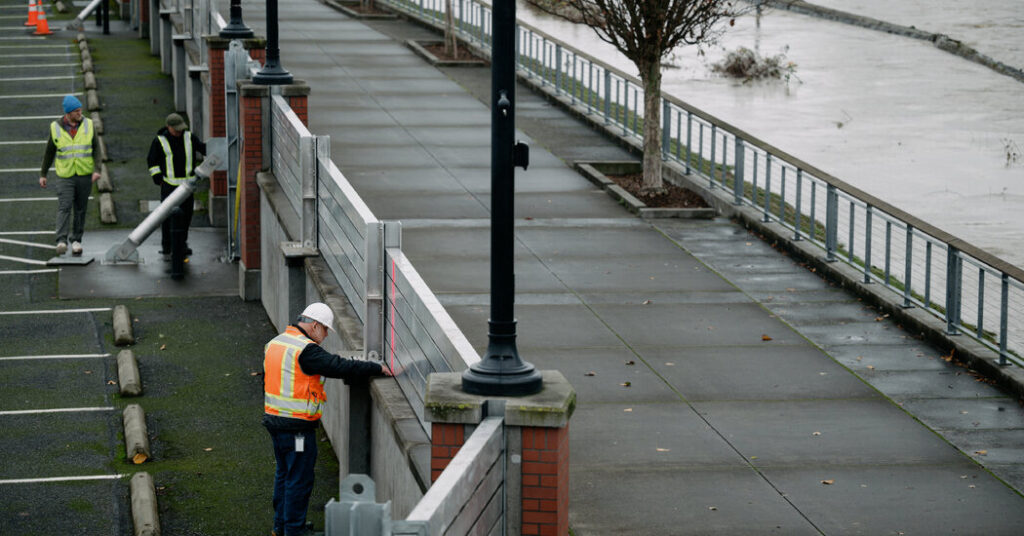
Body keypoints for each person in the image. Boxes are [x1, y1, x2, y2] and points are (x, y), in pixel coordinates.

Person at [263, 302, 392, 536]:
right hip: (297, 428)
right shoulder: (307, 350)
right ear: (314, 326)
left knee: (284, 474)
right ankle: (294, 530)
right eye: (324, 331)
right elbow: (337, 366)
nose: (324, 337)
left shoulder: (276, 343)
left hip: (275, 421)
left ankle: (281, 526)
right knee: (299, 480)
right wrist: (374, 367)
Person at [38, 94, 101, 256]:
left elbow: (97, 149)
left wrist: (98, 170)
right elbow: (49, 152)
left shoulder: (88, 125)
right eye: (77, 111)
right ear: (68, 113)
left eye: (80, 110)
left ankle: (76, 240)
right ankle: (61, 240)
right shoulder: (55, 127)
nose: (80, 113)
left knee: (80, 209)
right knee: (64, 206)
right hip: (65, 175)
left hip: (84, 175)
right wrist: (43, 173)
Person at [146, 113, 206, 261]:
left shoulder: (189, 137)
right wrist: (158, 179)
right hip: (169, 186)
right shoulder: (159, 141)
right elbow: (152, 161)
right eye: (176, 129)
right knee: (167, 217)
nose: (179, 132)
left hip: (187, 187)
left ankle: (181, 244)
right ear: (169, 127)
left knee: (185, 217)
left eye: (181, 129)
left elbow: (203, 149)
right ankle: (167, 245)